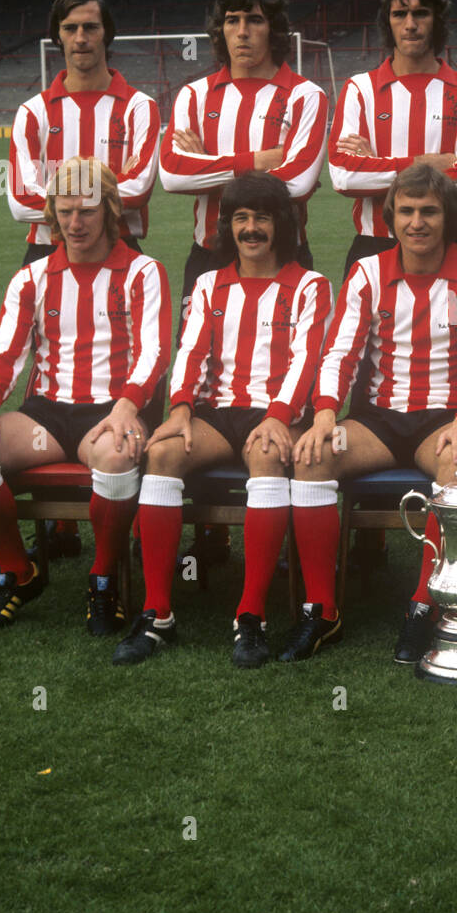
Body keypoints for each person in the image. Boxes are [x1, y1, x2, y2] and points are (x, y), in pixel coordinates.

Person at [112, 175, 331, 668]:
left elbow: (307, 360)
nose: (251, 229)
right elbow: (190, 351)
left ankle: (250, 616)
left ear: (282, 224)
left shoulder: (310, 285)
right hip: (215, 414)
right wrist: (181, 410)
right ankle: (157, 613)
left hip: (279, 413)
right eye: (240, 219)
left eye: (262, 218)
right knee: (163, 452)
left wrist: (277, 416)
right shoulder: (209, 284)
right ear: (226, 226)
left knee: (268, 455)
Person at [290, 164, 457, 664]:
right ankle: (322, 610)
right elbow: (341, 352)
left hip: (446, 419)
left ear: (450, 218)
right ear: (391, 218)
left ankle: (422, 607)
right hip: (379, 420)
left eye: (429, 211)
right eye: (406, 211)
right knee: (313, 459)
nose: (417, 221)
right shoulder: (368, 271)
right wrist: (324, 415)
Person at [0, 158, 170, 637]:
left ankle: (104, 576)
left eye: (87, 211)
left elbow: (154, 351)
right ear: (51, 215)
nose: (74, 223)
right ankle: (19, 571)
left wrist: (127, 408)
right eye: (64, 211)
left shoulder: (143, 272)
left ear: (111, 211)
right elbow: (4, 348)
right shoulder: (33, 277)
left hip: (115, 409)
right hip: (47, 417)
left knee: (114, 458)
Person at [160, 0, 328, 326]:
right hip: (209, 256)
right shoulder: (194, 95)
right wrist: (259, 162)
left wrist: (206, 165)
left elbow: (297, 182)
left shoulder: (306, 96)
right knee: (200, 366)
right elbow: (172, 174)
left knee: (289, 367)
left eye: (254, 20)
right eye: (232, 20)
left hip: (284, 256)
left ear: (274, 29)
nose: (242, 32)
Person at [327, 0, 457, 276]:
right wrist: (426, 163)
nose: (410, 25)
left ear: (437, 19)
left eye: (421, 14)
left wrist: (376, 165)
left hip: (450, 246)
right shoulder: (359, 89)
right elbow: (344, 175)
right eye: (399, 14)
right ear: (387, 21)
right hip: (374, 247)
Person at [6, 0, 161, 264]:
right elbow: (20, 201)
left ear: (106, 34)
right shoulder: (32, 112)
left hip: (120, 250)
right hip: (48, 253)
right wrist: (110, 189)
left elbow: (138, 190)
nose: (80, 38)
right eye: (70, 28)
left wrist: (56, 194)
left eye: (90, 27)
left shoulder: (139, 108)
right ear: (58, 35)